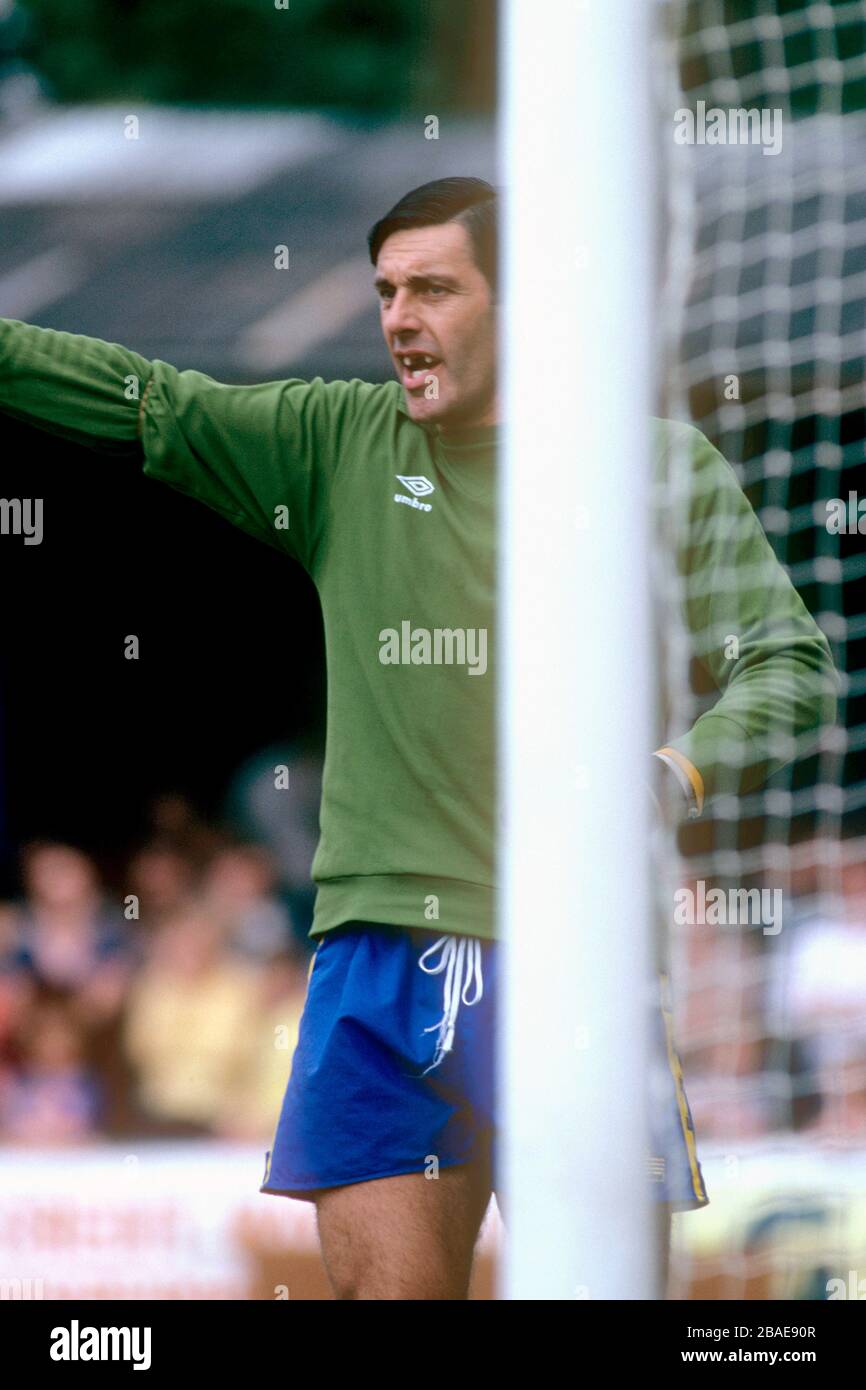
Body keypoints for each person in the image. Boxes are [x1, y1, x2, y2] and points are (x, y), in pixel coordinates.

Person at [0, 177, 837, 1299]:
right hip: (374, 956)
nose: (398, 317)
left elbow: (788, 666)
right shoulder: (336, 440)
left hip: (571, 963)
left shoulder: (650, 468)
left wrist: (669, 775)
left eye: (433, 288)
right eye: (387, 290)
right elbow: (151, 398)